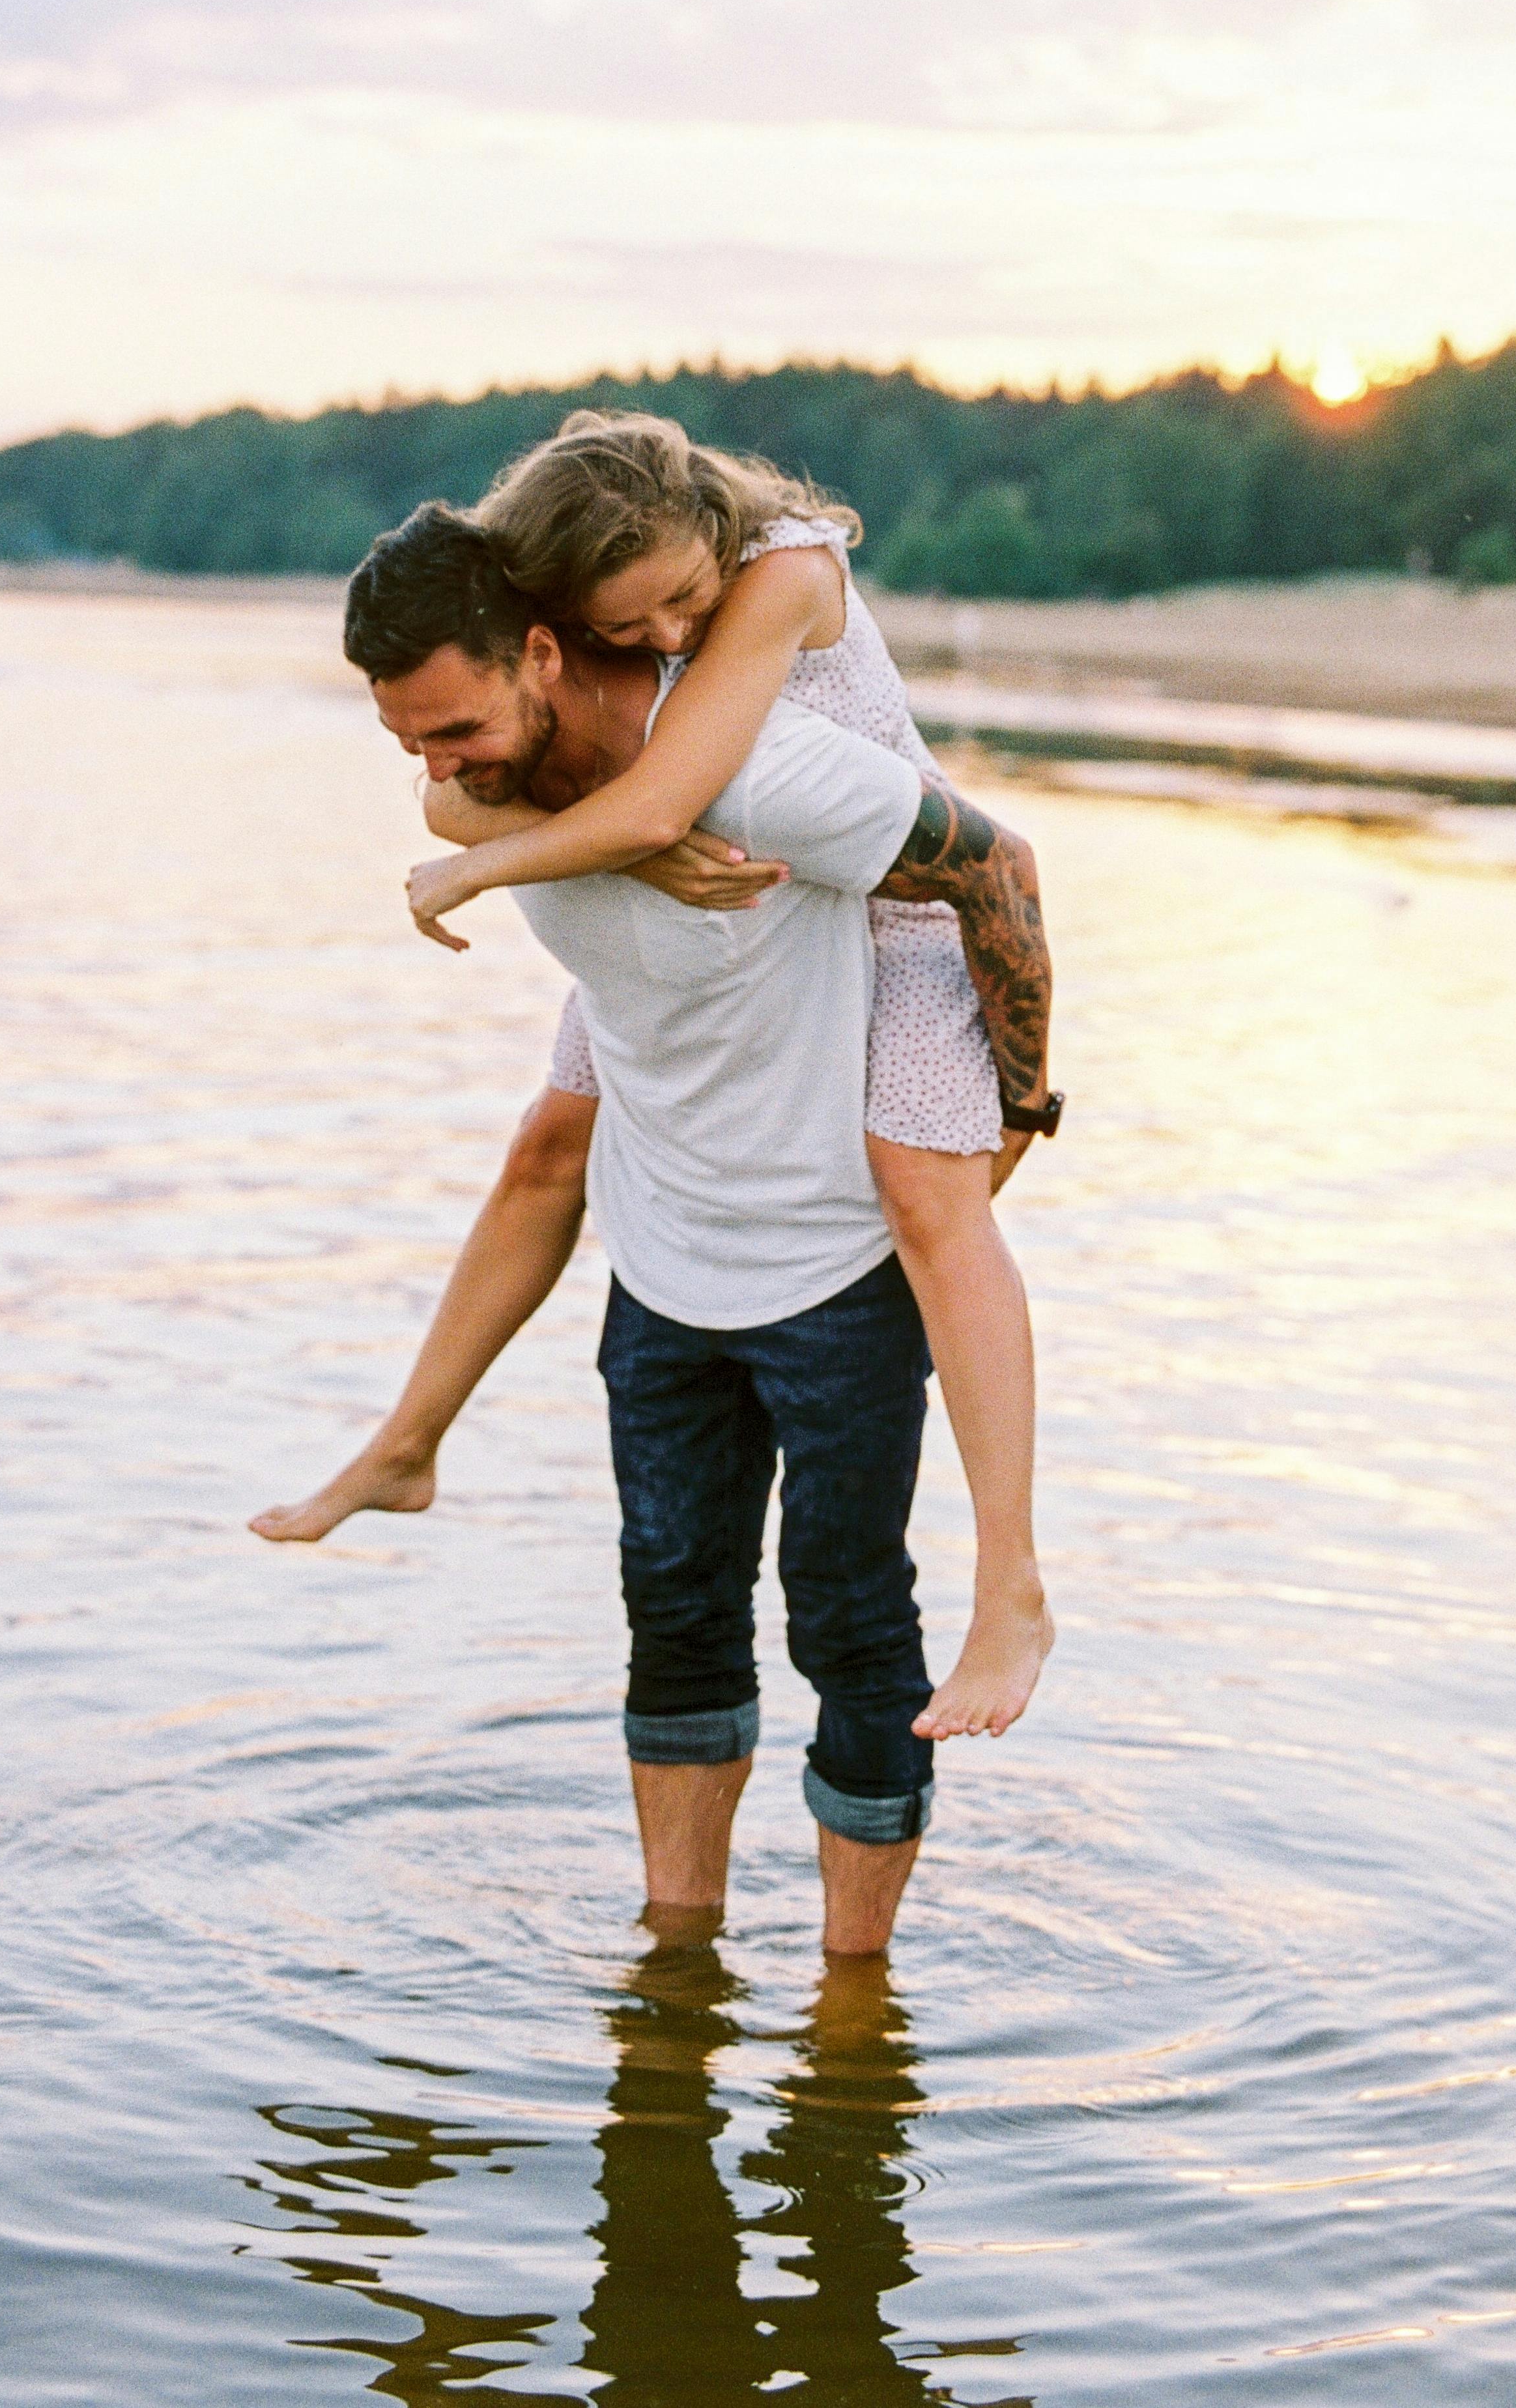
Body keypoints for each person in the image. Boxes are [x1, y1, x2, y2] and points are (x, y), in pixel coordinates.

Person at [253, 506, 1054, 1955]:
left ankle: (853, 1988)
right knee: (673, 1608)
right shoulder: (497, 788)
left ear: (543, 654)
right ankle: (673, 1964)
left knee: (847, 1621)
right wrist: (614, 848)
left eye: (456, 728)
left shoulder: (760, 770)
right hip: (666, 1252)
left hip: (833, 1256)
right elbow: (476, 811)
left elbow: (995, 870)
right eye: (407, 741)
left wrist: (1021, 1098)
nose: (438, 768)